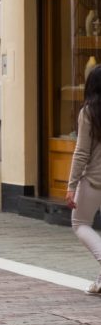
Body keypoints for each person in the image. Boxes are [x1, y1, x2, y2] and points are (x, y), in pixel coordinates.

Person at [68, 66, 101, 295]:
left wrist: (71, 185)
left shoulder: (89, 112)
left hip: (94, 180)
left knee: (80, 223)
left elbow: (81, 152)